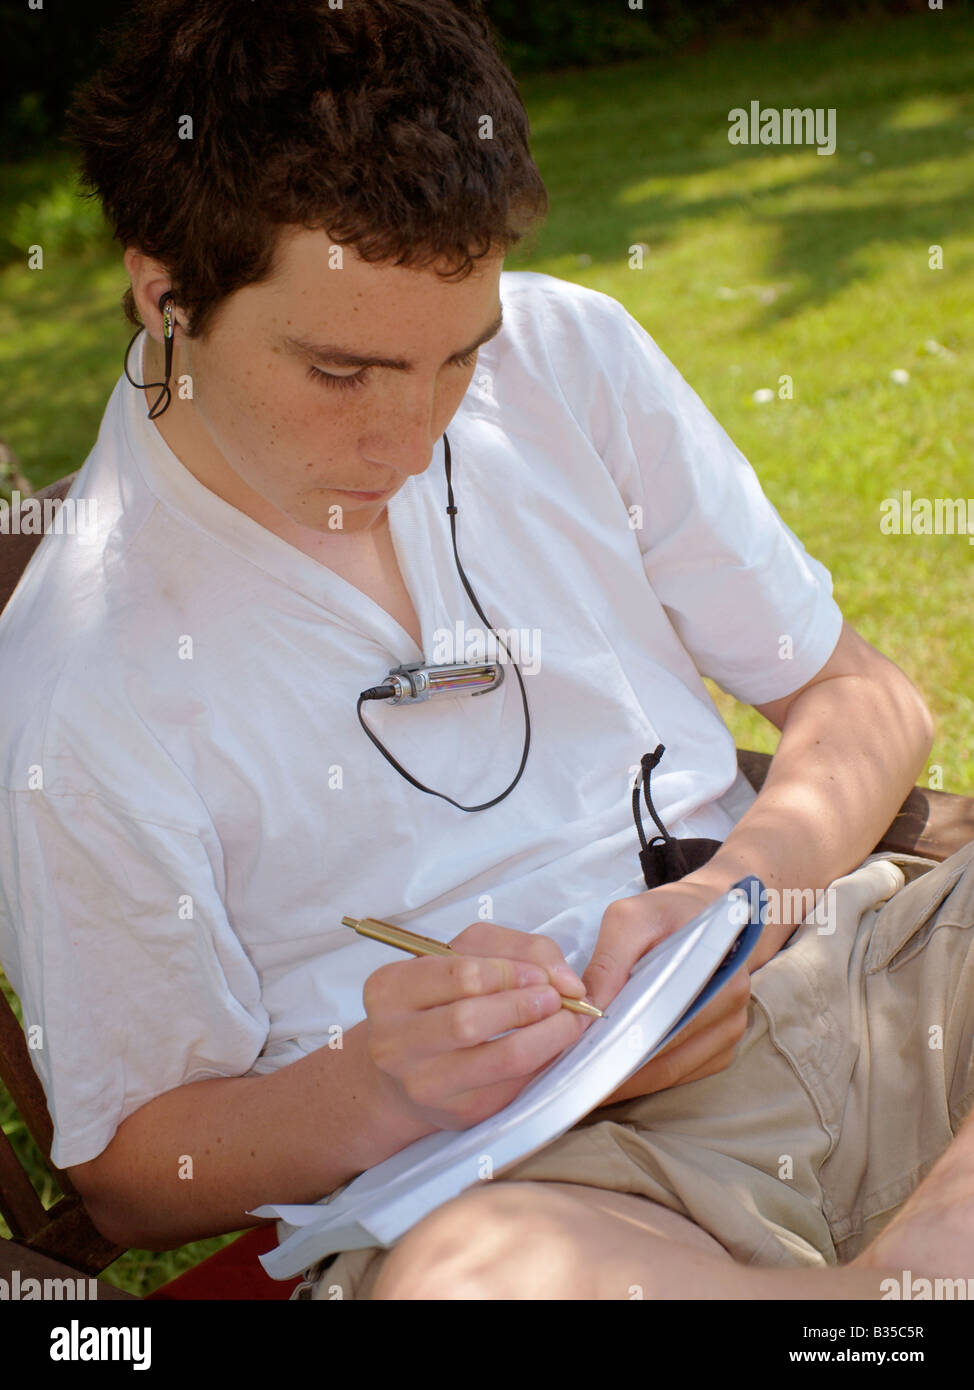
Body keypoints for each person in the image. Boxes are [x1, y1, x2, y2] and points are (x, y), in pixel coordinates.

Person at [0, 0, 970, 1301]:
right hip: (530, 1190)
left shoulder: (566, 355)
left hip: (851, 982)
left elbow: (857, 695)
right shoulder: (78, 675)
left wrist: (734, 897)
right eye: (341, 372)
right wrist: (374, 1083)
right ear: (165, 292)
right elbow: (131, 1168)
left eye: (457, 355)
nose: (409, 440)